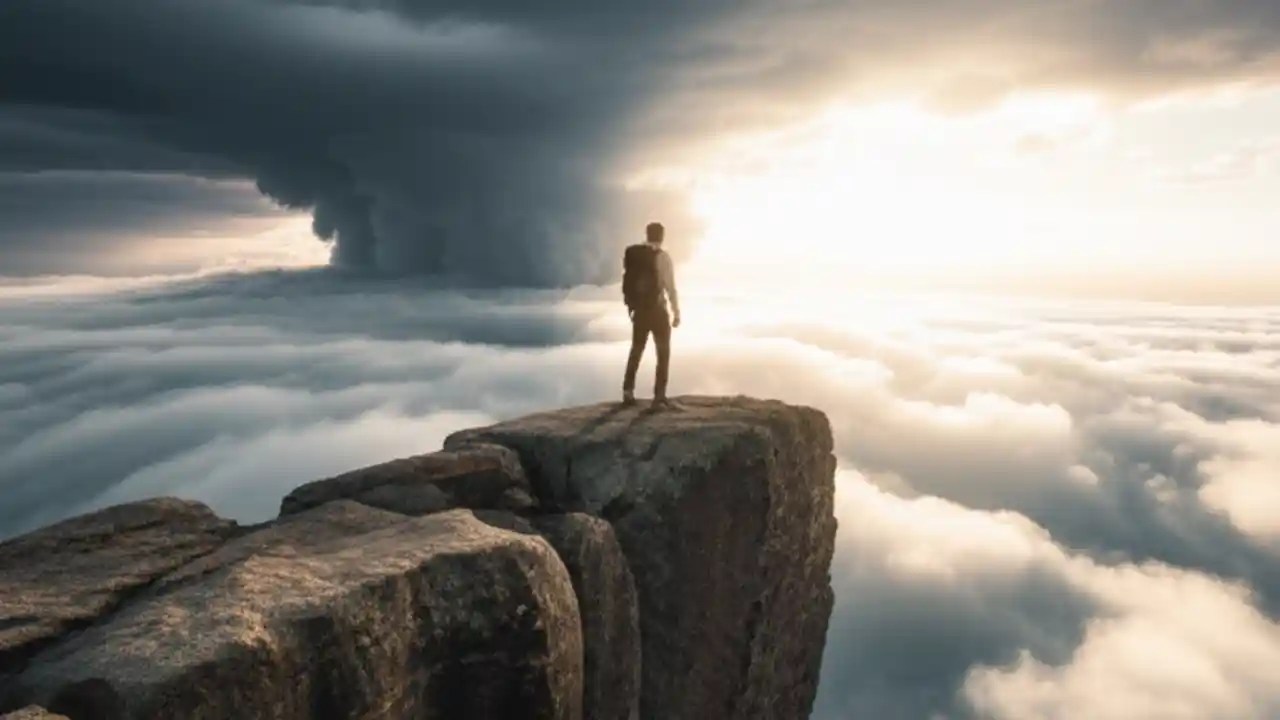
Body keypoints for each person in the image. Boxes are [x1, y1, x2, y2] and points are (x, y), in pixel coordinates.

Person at [621, 221, 680, 406]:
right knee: (663, 353)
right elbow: (670, 287)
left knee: (636, 350)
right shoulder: (663, 258)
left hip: (639, 312)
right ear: (662, 236)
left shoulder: (635, 255)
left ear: (647, 235)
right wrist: (676, 312)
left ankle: (628, 391)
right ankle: (659, 396)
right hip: (658, 311)